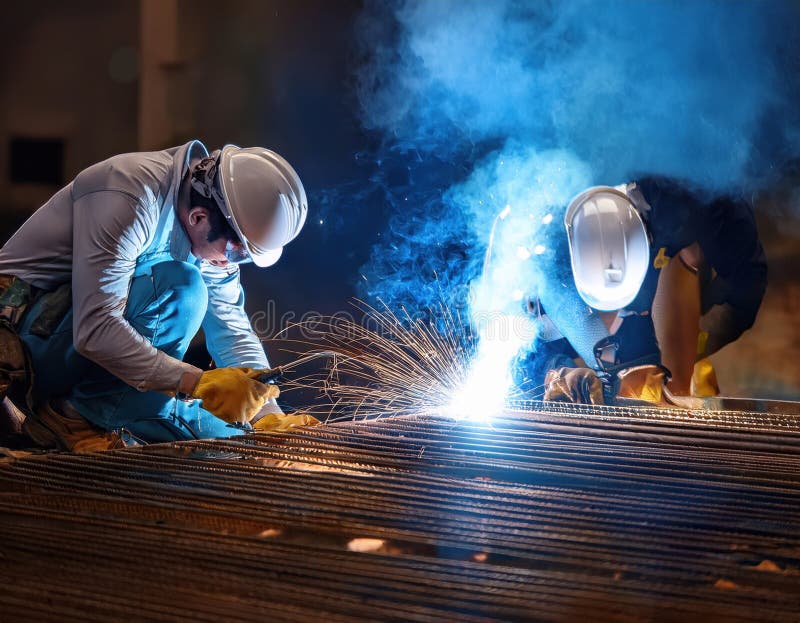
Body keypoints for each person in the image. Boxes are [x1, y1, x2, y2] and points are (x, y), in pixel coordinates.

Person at [0, 140, 314, 451]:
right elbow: (95, 329)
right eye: (235, 253)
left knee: (233, 440)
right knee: (182, 288)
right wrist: (194, 382)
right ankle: (72, 419)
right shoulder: (128, 194)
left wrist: (267, 415)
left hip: (92, 365)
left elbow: (232, 328)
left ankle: (98, 411)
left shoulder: (214, 230)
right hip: (27, 347)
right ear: (198, 217)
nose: (230, 264)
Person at [514, 177, 767, 405]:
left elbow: (746, 287)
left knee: (667, 390)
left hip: (671, 253)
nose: (612, 315)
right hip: (561, 279)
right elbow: (508, 344)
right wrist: (554, 372)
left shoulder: (698, 195)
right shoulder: (532, 236)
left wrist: (691, 345)